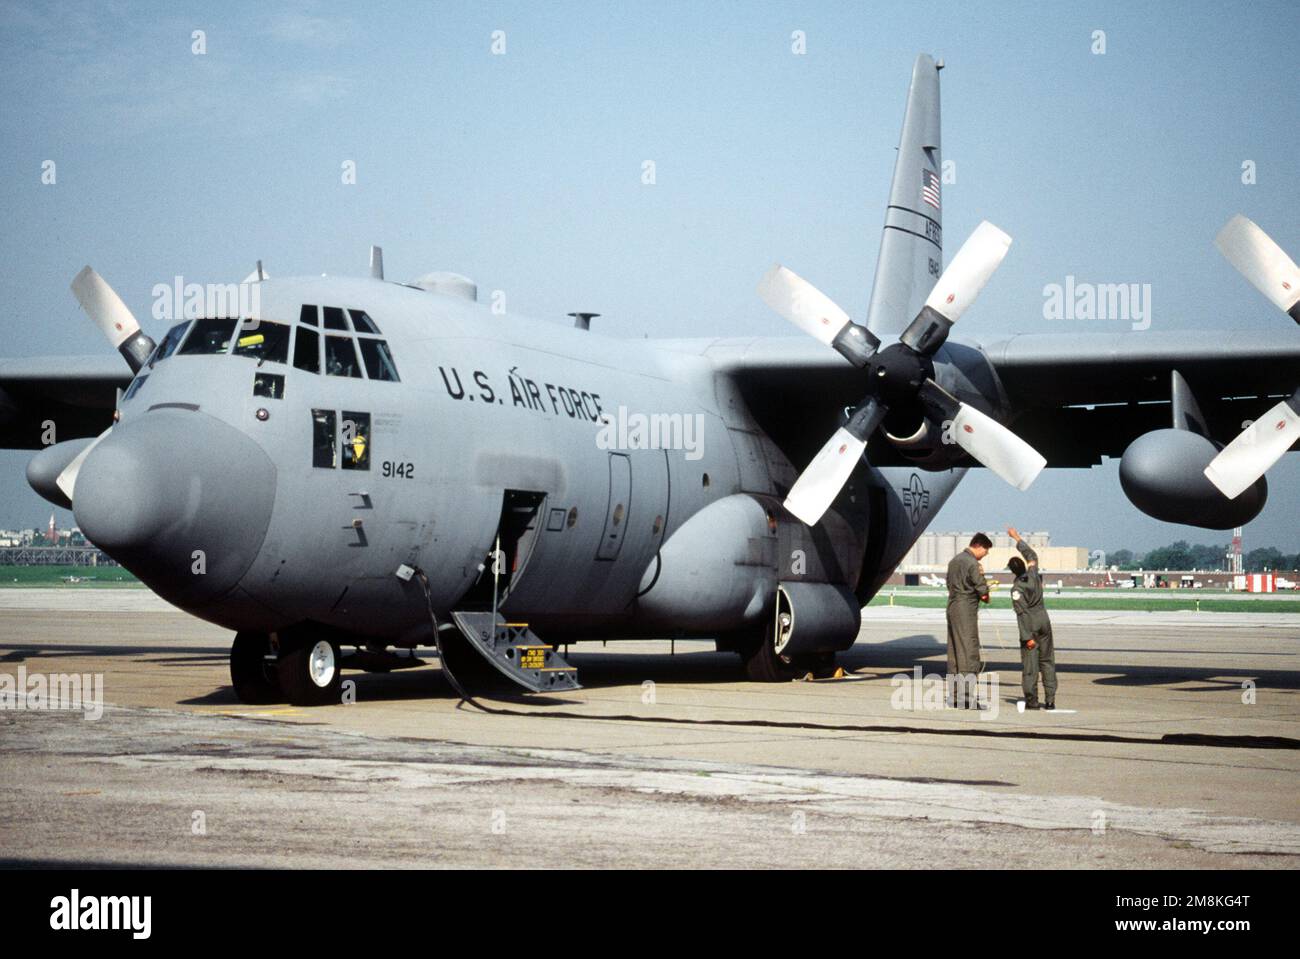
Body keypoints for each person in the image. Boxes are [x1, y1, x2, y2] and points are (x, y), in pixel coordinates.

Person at [1006, 526, 1057, 710]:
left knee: (1030, 667)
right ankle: (1050, 700)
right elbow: (1031, 555)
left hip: (1030, 626)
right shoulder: (1034, 575)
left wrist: (1026, 637)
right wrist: (1016, 537)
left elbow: (1022, 614)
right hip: (1044, 621)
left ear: (1012, 571)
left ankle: (1032, 701)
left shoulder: (1016, 590)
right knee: (1048, 661)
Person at [946, 533, 991, 709]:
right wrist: (985, 589)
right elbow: (983, 592)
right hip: (966, 610)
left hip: (952, 607)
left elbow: (949, 583)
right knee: (968, 653)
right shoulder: (973, 563)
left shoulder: (954, 561)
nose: (985, 555)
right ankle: (966, 699)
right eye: (985, 551)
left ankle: (954, 696)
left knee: (954, 653)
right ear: (979, 546)